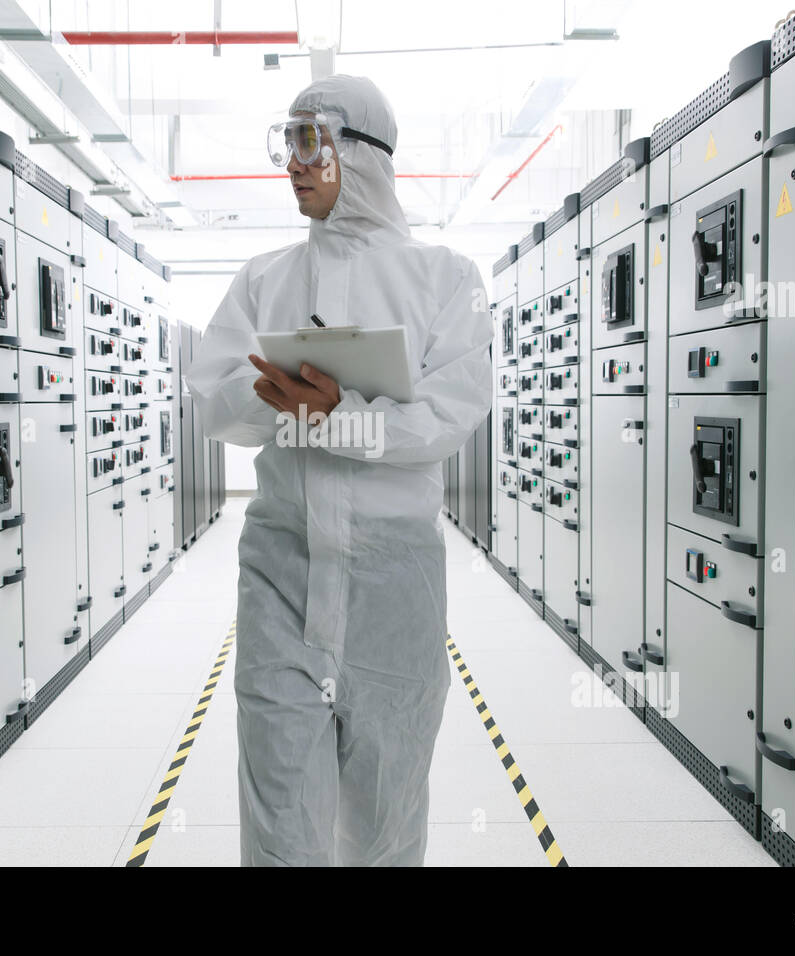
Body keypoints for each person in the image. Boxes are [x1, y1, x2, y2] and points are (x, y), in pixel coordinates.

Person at [183, 74, 493, 866]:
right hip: (281, 579)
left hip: (395, 588)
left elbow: (450, 417)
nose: (292, 162)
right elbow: (211, 406)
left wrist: (337, 417)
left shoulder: (446, 280)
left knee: (385, 815)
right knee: (279, 811)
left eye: (309, 140)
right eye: (287, 142)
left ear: (364, 155)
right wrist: (276, 401)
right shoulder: (263, 280)